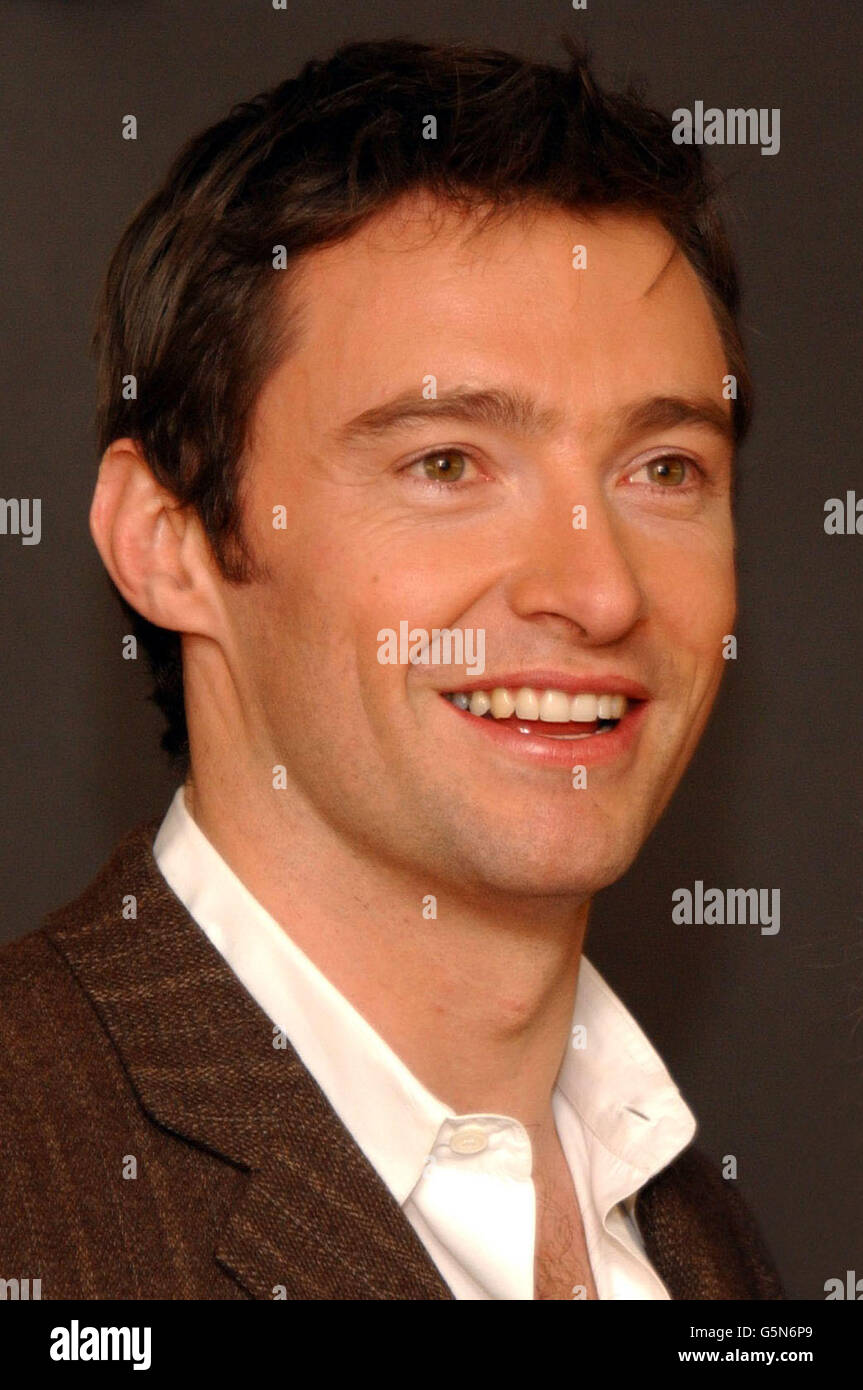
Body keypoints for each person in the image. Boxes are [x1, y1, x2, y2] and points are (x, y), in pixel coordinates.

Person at [0, 37, 783, 1300]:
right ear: (170, 545)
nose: (596, 591)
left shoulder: (693, 1235)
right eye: (445, 464)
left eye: (662, 470)